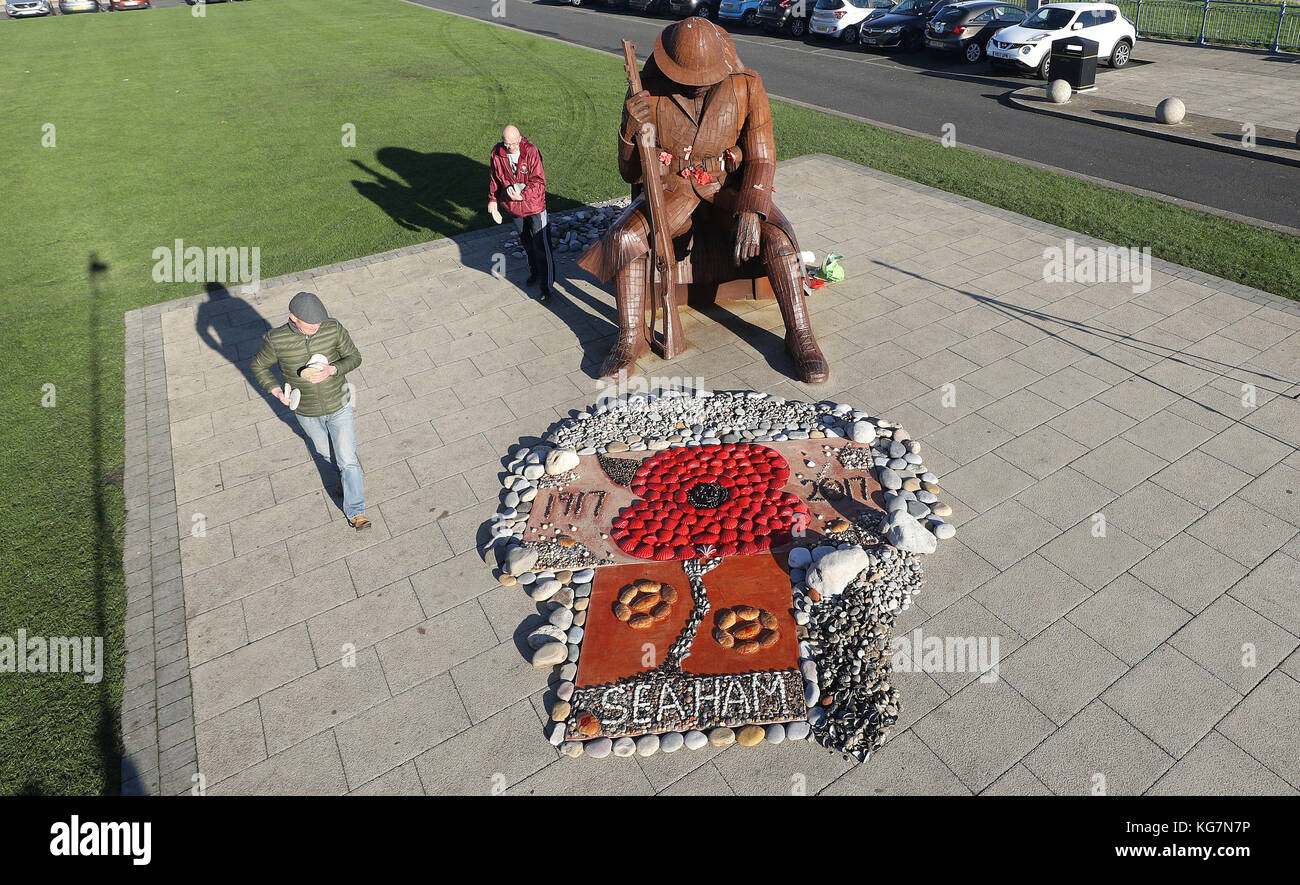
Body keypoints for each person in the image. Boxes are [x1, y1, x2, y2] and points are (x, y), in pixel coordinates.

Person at [577, 18, 829, 384]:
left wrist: (750, 209)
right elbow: (630, 172)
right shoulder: (645, 90)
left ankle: (800, 335)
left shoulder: (747, 85)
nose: (697, 86)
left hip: (726, 189)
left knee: (778, 239)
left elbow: (762, 156)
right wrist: (631, 128)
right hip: (673, 191)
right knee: (624, 239)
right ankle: (629, 340)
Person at [250, 291, 371, 531]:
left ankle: (356, 512)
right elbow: (258, 365)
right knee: (325, 453)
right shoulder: (277, 340)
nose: (317, 326)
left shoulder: (332, 328)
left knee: (347, 459)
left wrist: (333, 370)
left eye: (319, 322)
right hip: (306, 410)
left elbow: (354, 357)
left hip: (339, 402)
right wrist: (275, 390)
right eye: (311, 323)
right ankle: (343, 482)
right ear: (293, 318)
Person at [488, 125, 556, 302]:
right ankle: (535, 272)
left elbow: (539, 181)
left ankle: (547, 287)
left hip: (534, 206)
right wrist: (493, 201)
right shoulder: (496, 153)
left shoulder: (531, 152)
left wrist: (522, 195)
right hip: (515, 207)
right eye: (506, 143)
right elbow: (495, 179)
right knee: (527, 243)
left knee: (542, 245)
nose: (509, 147)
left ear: (519, 139)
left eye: (512, 143)